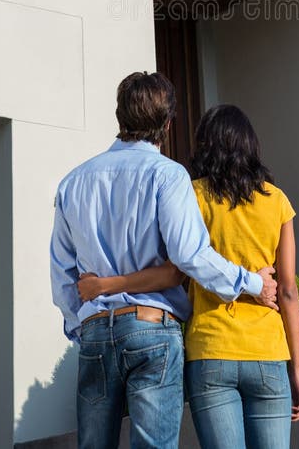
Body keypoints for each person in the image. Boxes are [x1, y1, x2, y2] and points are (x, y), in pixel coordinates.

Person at [50, 73, 278, 449]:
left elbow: (62, 272)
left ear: (120, 116)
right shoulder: (169, 175)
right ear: (168, 123)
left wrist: (83, 323)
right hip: (152, 328)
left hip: (94, 330)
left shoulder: (73, 182)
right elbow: (189, 255)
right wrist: (253, 283)